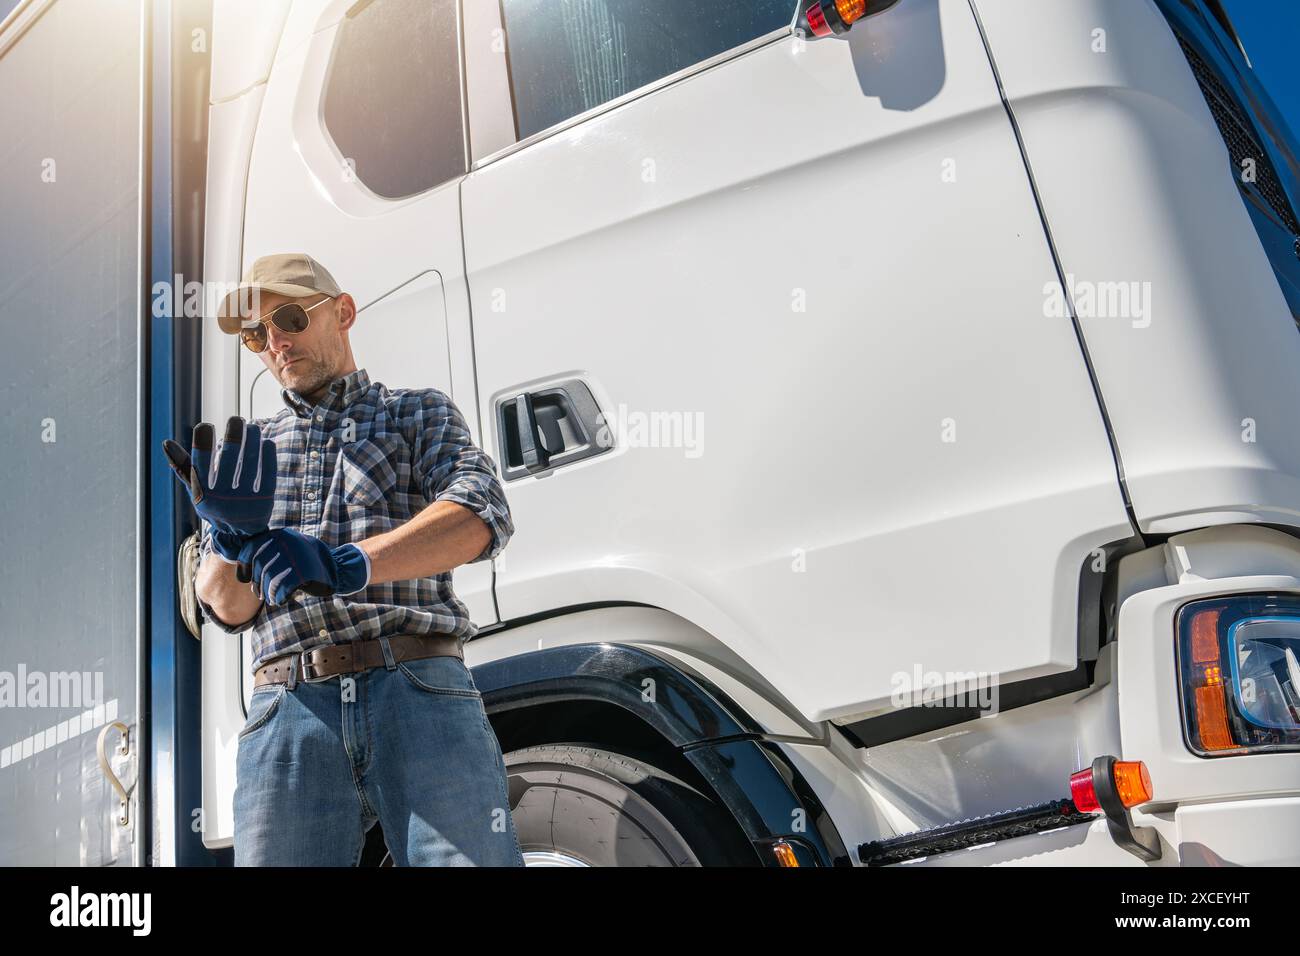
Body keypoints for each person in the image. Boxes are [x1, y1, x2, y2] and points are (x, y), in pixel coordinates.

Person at [164, 252, 524, 866]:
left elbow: (479, 514)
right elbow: (225, 606)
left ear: (343, 312)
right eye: (256, 334)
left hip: (415, 687)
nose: (274, 341)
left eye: (288, 317)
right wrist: (225, 543)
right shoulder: (246, 456)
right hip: (287, 707)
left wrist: (343, 565)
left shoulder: (415, 412)